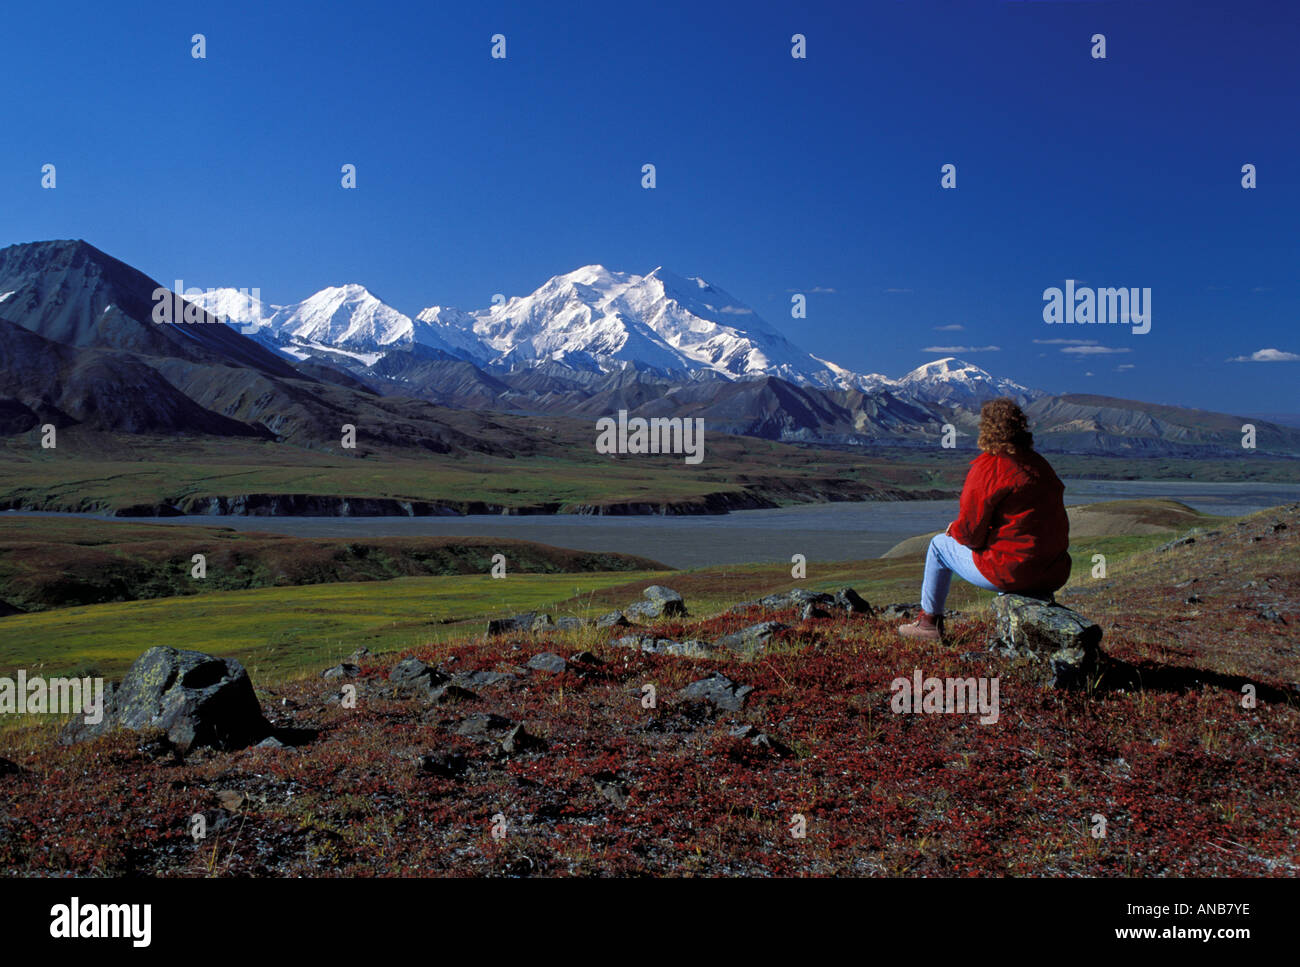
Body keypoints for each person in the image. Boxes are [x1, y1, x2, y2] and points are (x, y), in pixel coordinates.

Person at [899, 397, 1071, 640]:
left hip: (1012, 571)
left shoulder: (990, 467)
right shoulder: (1040, 465)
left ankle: (929, 623)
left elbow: (971, 534)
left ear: (987, 429)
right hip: (1053, 571)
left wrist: (955, 530)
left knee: (938, 545)